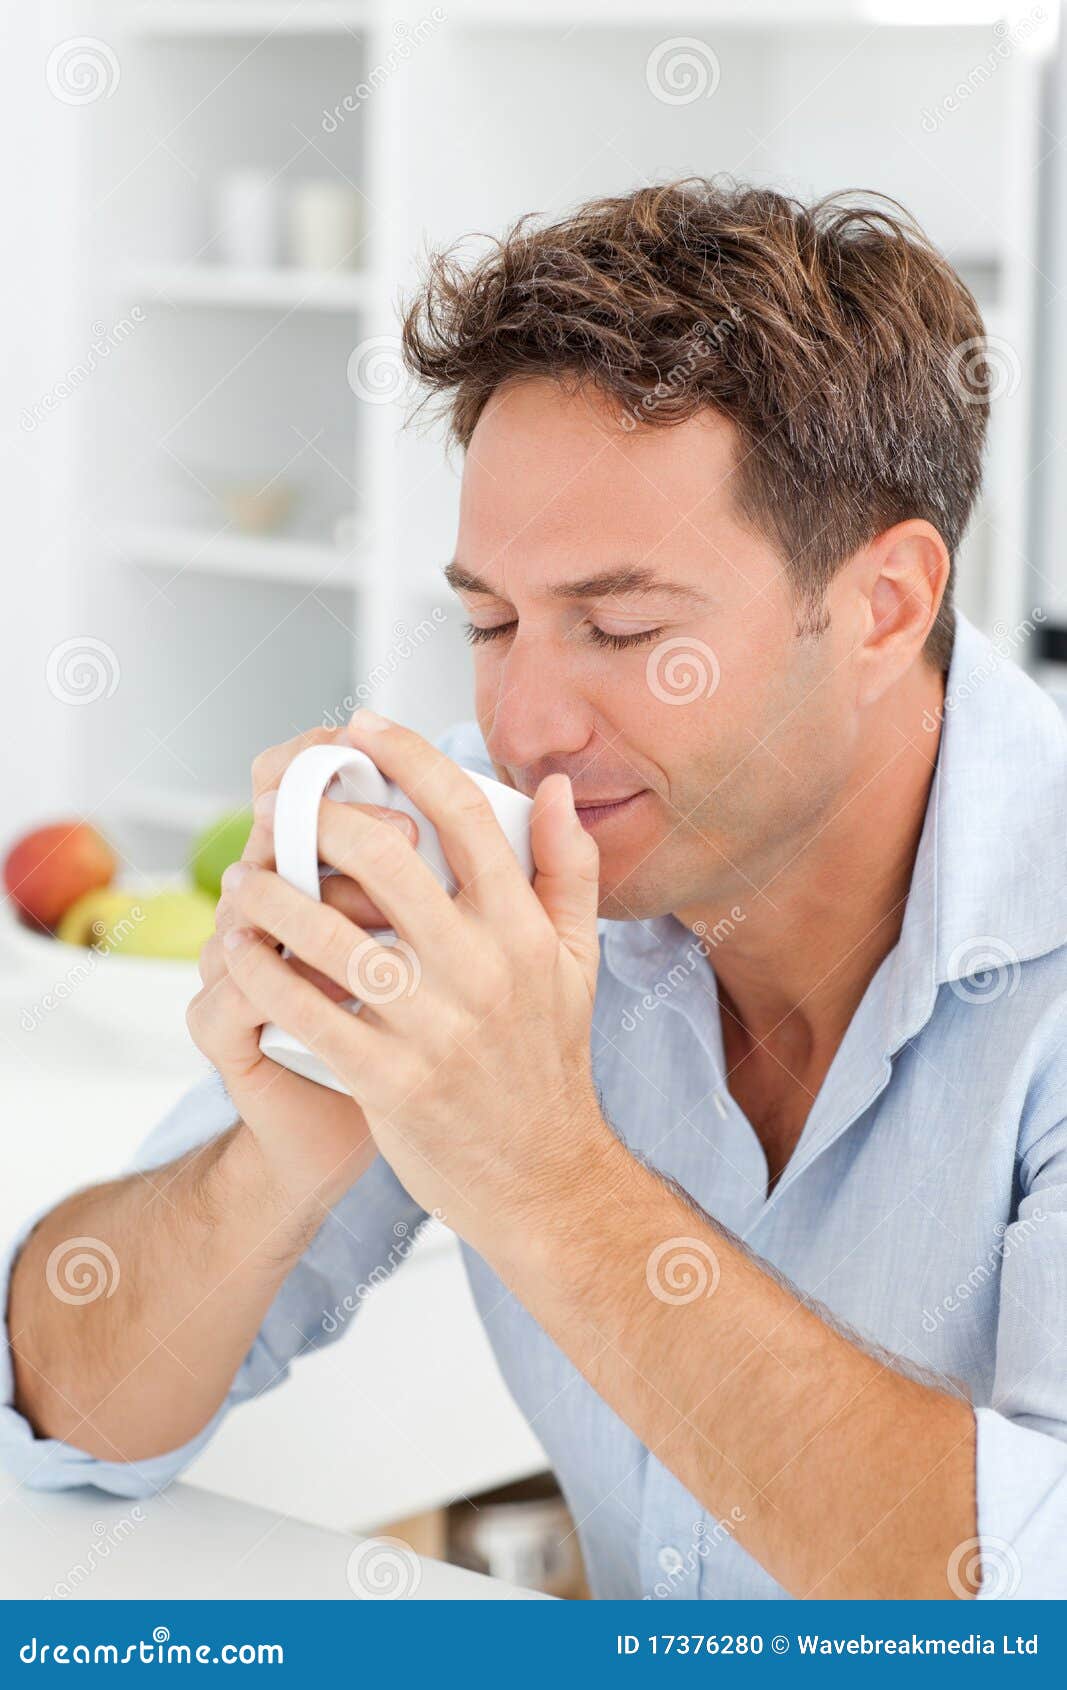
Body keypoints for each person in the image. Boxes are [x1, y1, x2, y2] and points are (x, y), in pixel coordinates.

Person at [4, 180, 1065, 1601]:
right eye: (490, 622)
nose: (527, 722)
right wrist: (275, 1159)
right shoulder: (491, 852)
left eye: (622, 628)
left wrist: (541, 1174)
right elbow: (62, 1409)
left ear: (884, 605)